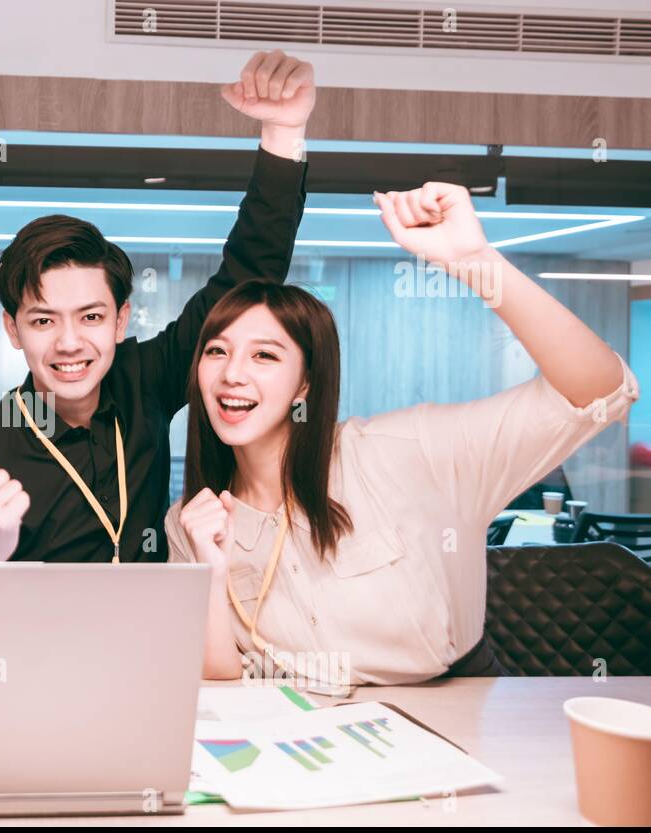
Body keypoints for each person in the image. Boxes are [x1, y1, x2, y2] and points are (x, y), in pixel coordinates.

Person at [167, 183, 639, 685]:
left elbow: (598, 393)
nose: (232, 373)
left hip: (449, 713)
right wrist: (210, 571)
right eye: (216, 351)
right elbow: (220, 680)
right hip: (298, 732)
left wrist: (476, 261)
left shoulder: (405, 452)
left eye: (264, 355)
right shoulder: (192, 520)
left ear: (306, 383)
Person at [0, 50, 314, 564]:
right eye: (43, 320)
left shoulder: (144, 380)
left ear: (121, 320)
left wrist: (283, 135)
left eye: (91, 317)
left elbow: (246, 279)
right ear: (13, 328)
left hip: (153, 638)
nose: (69, 343)